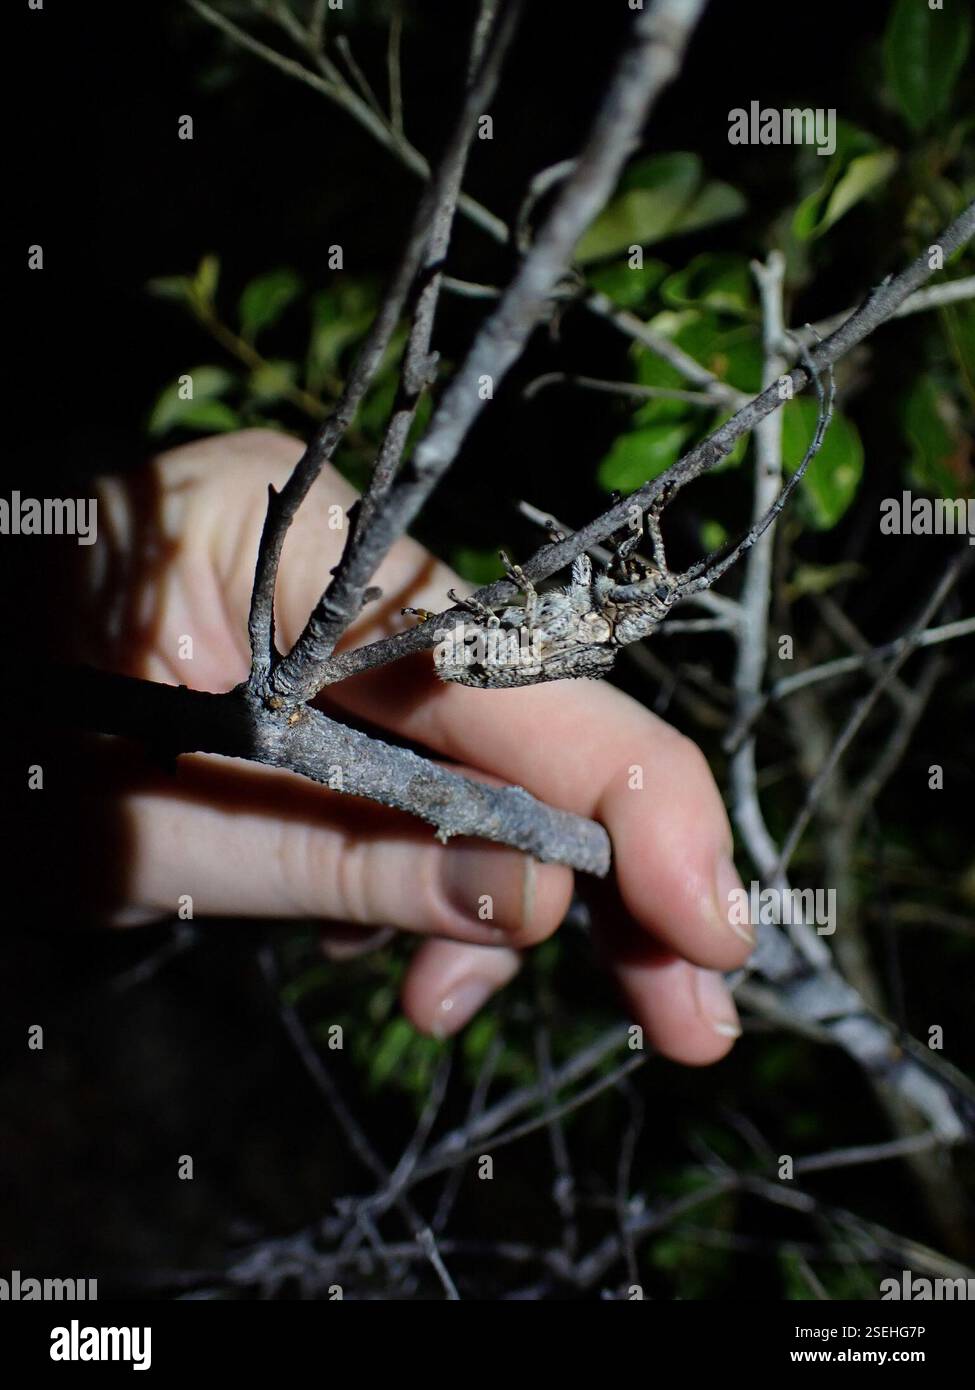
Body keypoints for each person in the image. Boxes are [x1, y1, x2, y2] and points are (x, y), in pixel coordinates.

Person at [34, 428, 754, 1064]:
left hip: (502, 644)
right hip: (491, 642)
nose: (639, 579)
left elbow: (568, 607)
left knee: (524, 631)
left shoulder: (594, 622)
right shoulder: (591, 608)